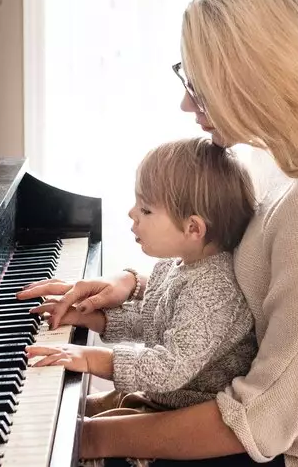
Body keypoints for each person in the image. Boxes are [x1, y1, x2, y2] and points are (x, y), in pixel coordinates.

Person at [19, 0, 298, 467]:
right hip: (274, 432)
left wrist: (80, 439)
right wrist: (131, 283)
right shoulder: (278, 162)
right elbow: (233, 285)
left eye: (200, 84)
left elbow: (257, 419)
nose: (186, 101)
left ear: (254, 79)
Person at [23, 137, 258, 419]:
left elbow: (169, 368)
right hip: (163, 396)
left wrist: (89, 358)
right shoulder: (177, 265)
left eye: (146, 210)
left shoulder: (214, 290)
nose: (132, 214)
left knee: (71, 433)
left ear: (193, 228)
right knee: (56, 415)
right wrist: (89, 318)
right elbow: (153, 320)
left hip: (185, 409)